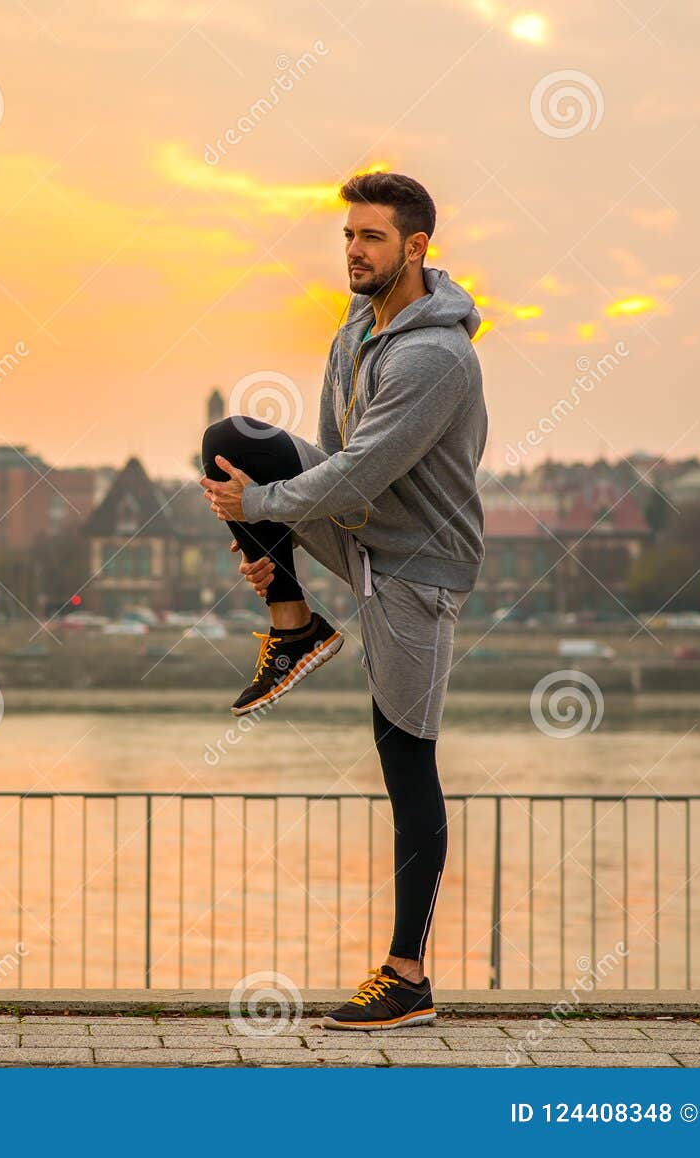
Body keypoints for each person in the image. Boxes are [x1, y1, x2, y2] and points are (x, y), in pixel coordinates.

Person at [198, 170, 487, 1029]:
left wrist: (260, 514)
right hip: (360, 528)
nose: (354, 251)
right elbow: (328, 454)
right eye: (348, 237)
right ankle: (294, 627)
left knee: (406, 758)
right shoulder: (356, 328)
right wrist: (274, 548)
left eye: (371, 238)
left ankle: (407, 975)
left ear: (416, 247)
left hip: (418, 567)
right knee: (230, 442)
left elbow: (360, 468)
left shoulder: (438, 356)